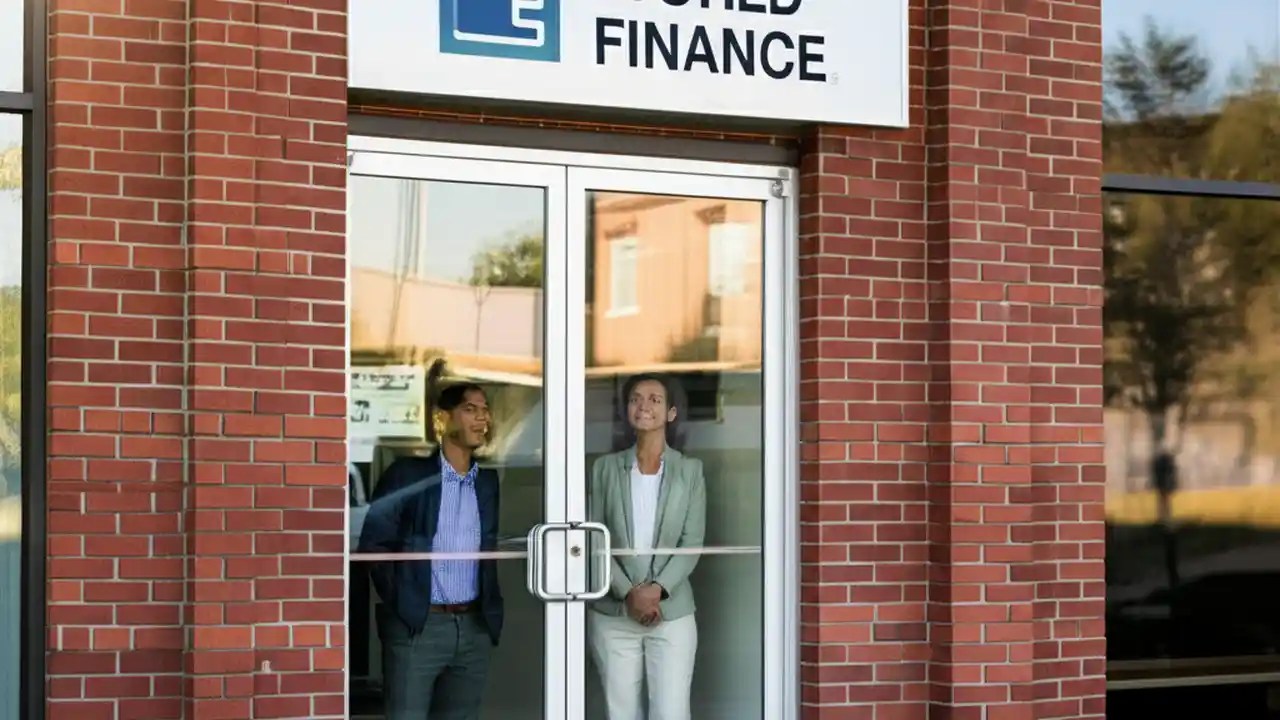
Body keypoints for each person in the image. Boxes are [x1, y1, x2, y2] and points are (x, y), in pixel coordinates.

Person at [358, 359, 502, 720]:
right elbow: (374, 545)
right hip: (418, 626)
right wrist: (404, 601)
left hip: (472, 626)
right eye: (470, 409)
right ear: (443, 418)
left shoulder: (487, 483)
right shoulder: (408, 474)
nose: (482, 417)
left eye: (485, 409)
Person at [588, 373, 707, 720]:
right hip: (614, 613)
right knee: (620, 713)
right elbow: (594, 538)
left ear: (671, 413)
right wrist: (628, 592)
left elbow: (692, 542)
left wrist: (657, 591)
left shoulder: (690, 470)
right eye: (635, 399)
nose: (643, 406)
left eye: (655, 399)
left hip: (672, 612)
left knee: (671, 712)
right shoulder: (604, 468)